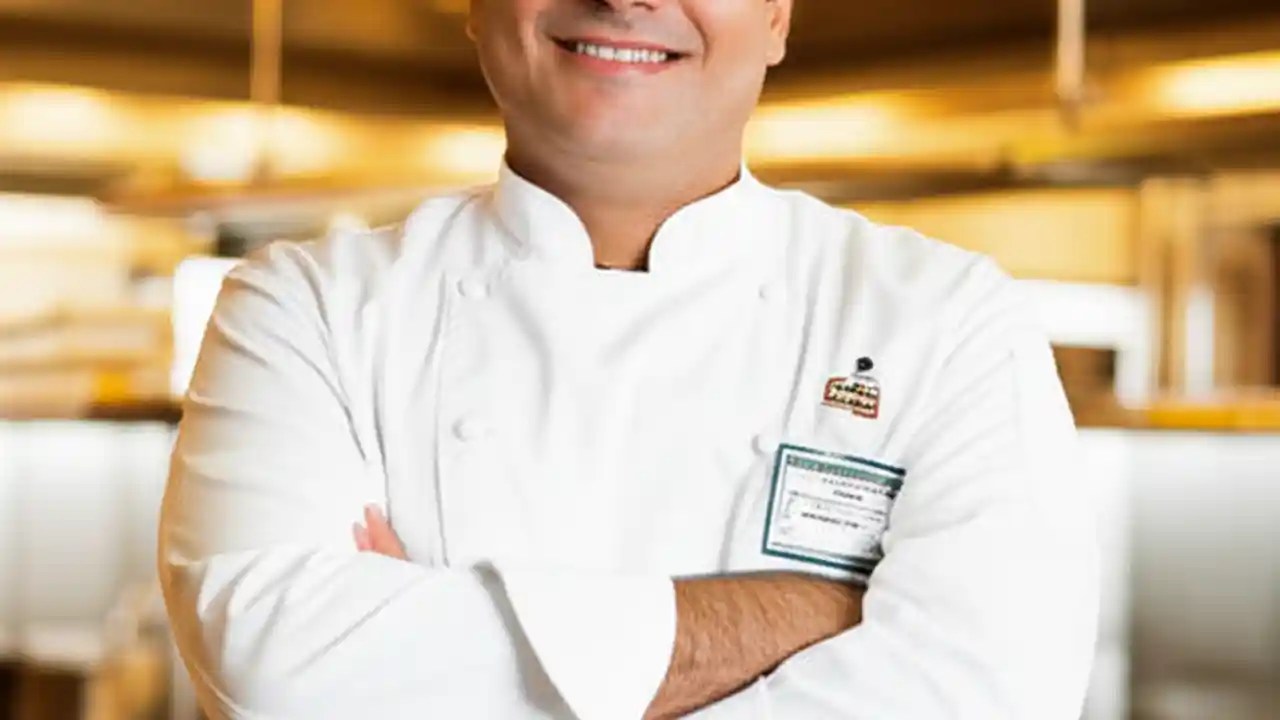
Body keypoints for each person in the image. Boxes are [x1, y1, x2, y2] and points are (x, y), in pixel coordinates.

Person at [157, 0, 1099, 718]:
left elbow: (991, 687)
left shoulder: (948, 319)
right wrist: (809, 616)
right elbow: (275, 664)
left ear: (777, 13)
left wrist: (433, 649)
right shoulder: (303, 309)